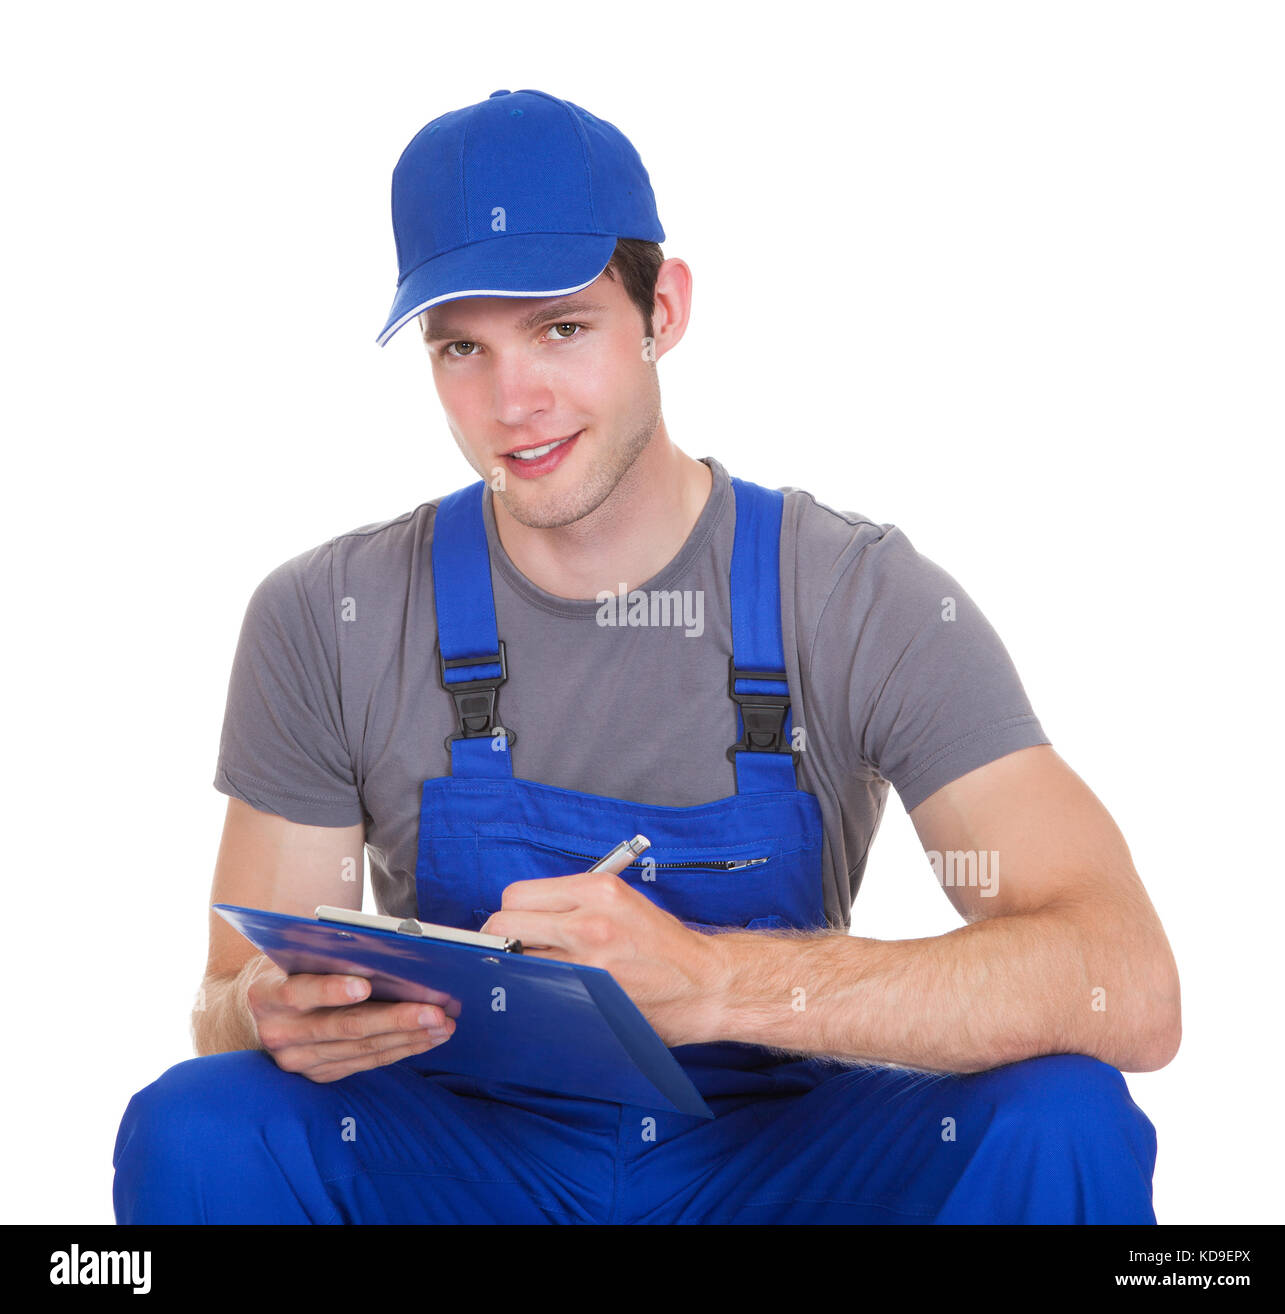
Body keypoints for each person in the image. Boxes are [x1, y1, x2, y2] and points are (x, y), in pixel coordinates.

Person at [112, 88, 1180, 1225]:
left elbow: (1125, 981)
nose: (510, 403)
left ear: (661, 309)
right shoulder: (326, 615)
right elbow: (229, 999)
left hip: (778, 1164)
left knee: (1063, 1114)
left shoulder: (859, 596)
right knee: (201, 1123)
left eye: (559, 329)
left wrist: (717, 982)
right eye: (460, 346)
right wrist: (270, 1011)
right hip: (467, 1167)